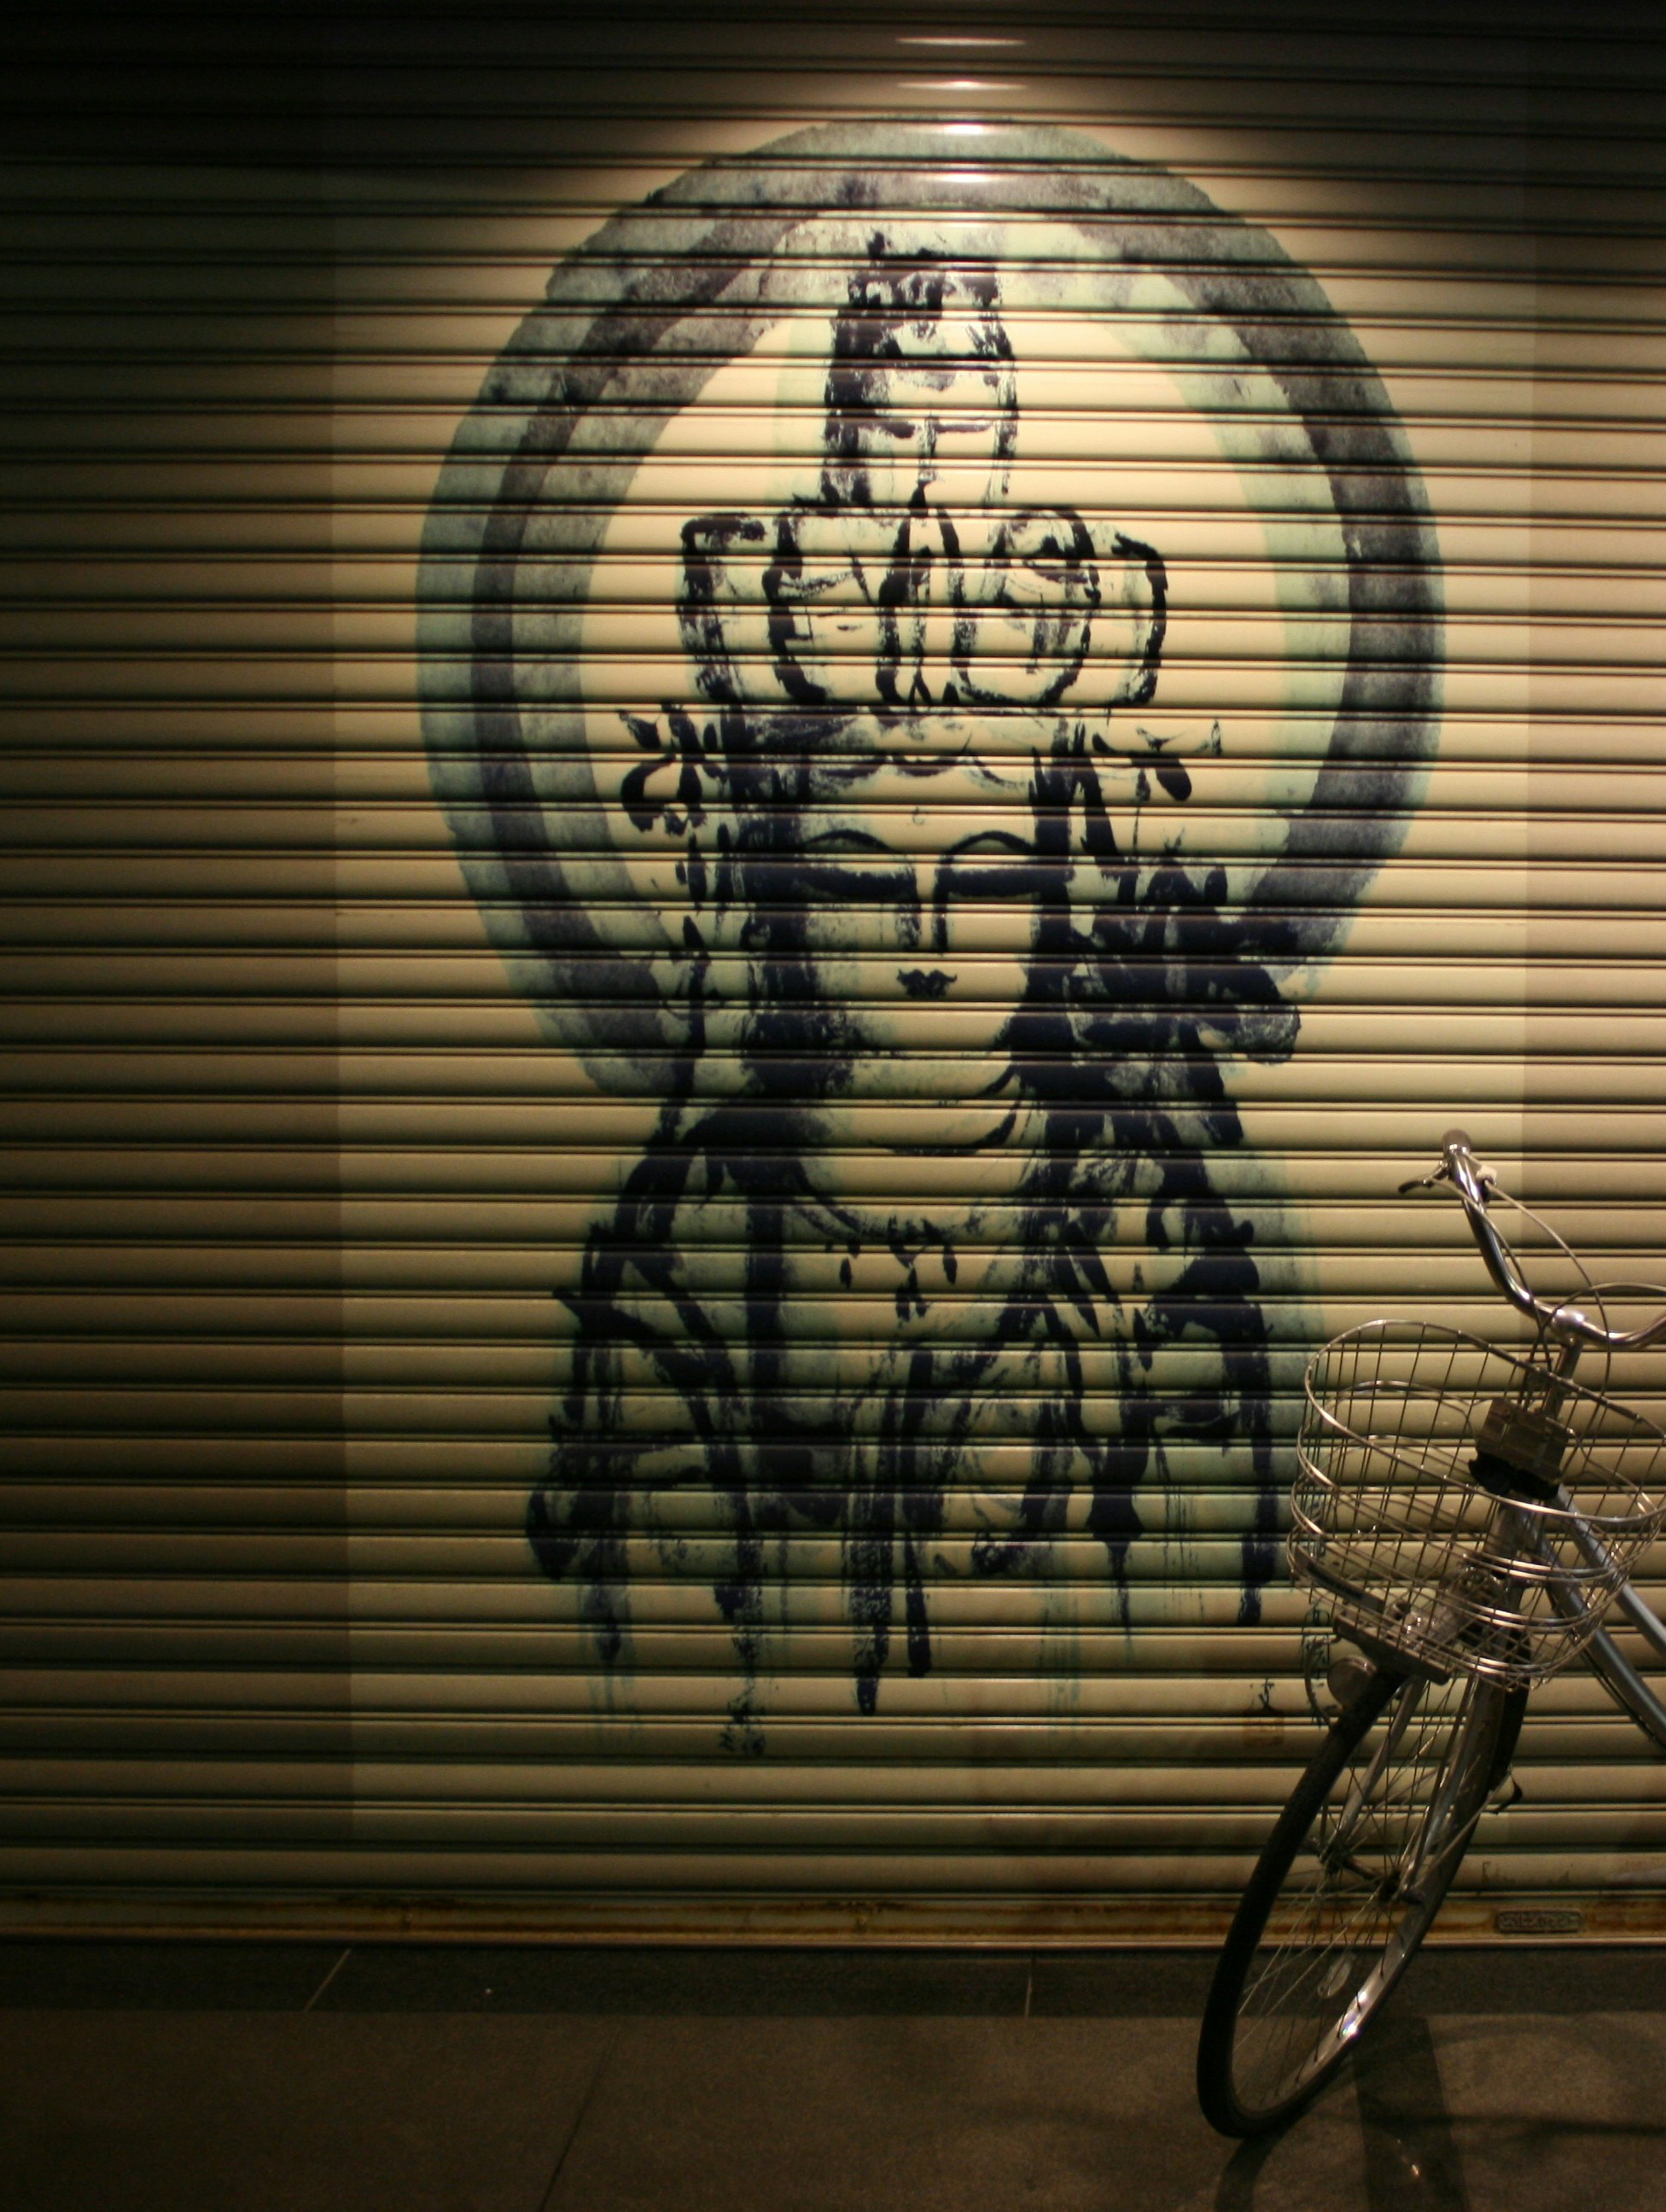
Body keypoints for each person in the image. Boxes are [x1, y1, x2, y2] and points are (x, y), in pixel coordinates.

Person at [529, 240, 1293, 1737]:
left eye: (994, 876)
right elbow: (650, 1647)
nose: (929, 935)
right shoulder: (693, 1229)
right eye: (864, 881)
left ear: (1064, 898)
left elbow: (1211, 1617)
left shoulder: (1146, 1226)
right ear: (782, 904)